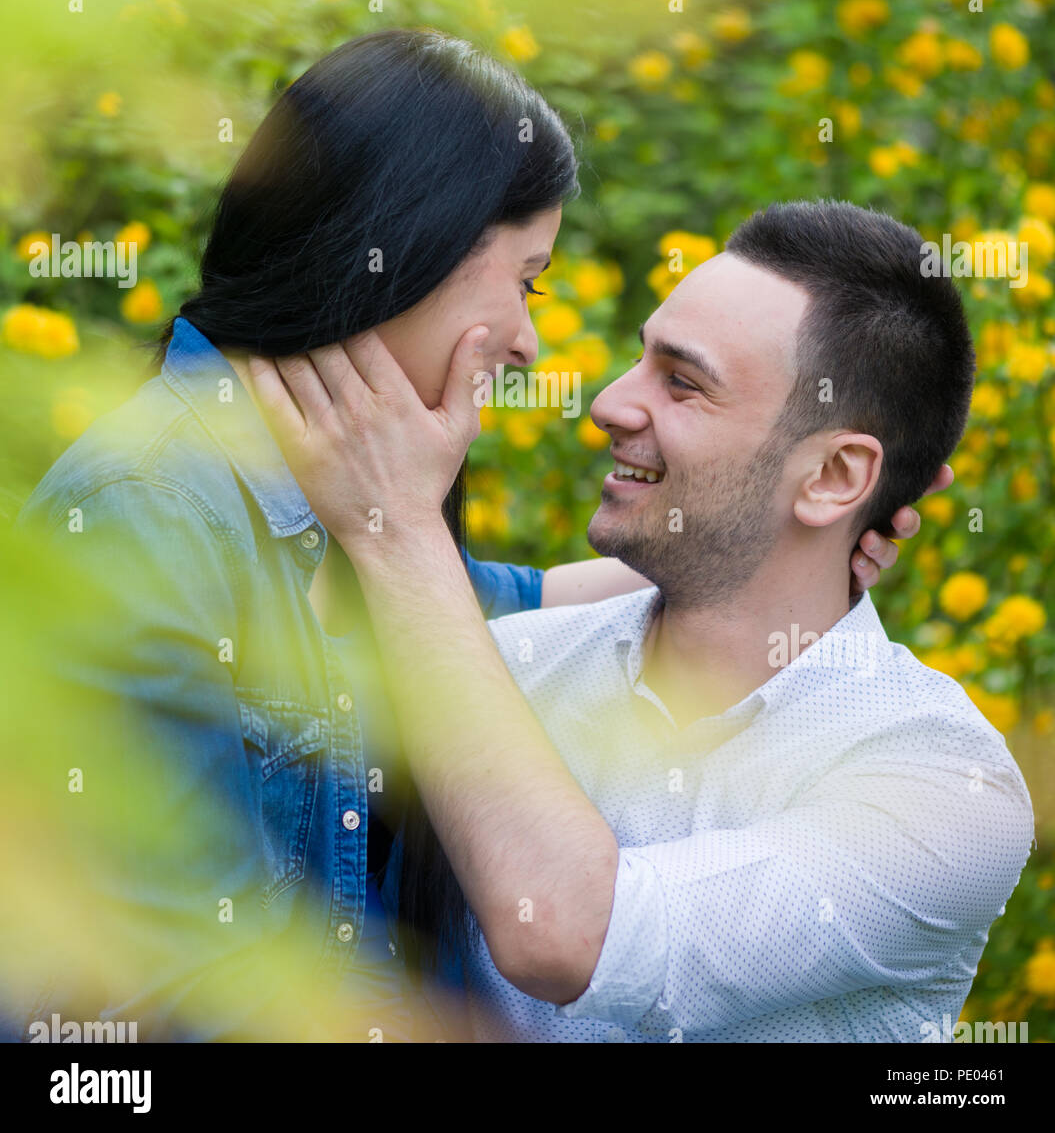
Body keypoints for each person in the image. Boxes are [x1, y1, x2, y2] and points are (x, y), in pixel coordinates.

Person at [7, 25, 922, 1042]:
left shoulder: (331, 515)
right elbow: (170, 994)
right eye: (525, 280)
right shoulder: (154, 513)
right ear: (408, 245)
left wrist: (785, 542)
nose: (530, 342)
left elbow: (491, 604)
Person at [249, 197, 1033, 1043]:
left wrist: (401, 525)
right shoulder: (508, 665)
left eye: (683, 384)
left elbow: (571, 937)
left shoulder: (944, 787)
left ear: (835, 475)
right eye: (638, 359)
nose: (609, 404)